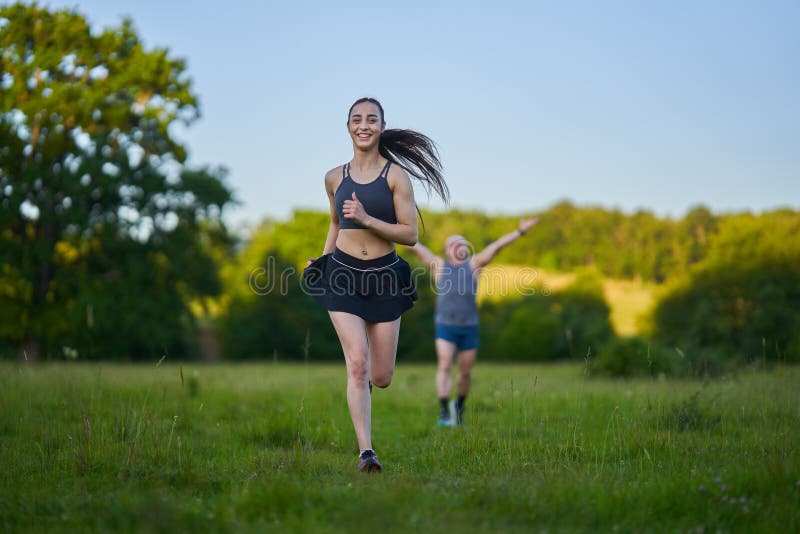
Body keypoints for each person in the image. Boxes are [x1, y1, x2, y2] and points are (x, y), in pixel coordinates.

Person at [303, 97, 449, 472]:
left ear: (382, 126)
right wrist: (322, 257)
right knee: (357, 362)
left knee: (380, 376)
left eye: (372, 119)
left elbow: (410, 235)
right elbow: (336, 224)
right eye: (357, 119)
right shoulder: (334, 177)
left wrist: (367, 218)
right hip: (342, 274)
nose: (363, 125)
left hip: (385, 277)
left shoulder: (395, 176)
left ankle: (365, 390)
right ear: (348, 127)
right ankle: (366, 452)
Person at [406, 216, 539, 426]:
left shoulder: (474, 266)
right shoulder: (439, 266)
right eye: (453, 244)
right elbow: (415, 246)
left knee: (466, 371)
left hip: (469, 328)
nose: (458, 247)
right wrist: (384, 227)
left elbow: (496, 247)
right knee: (445, 364)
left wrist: (520, 232)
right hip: (445, 326)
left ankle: (458, 406)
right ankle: (443, 411)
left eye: (462, 243)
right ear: (447, 249)